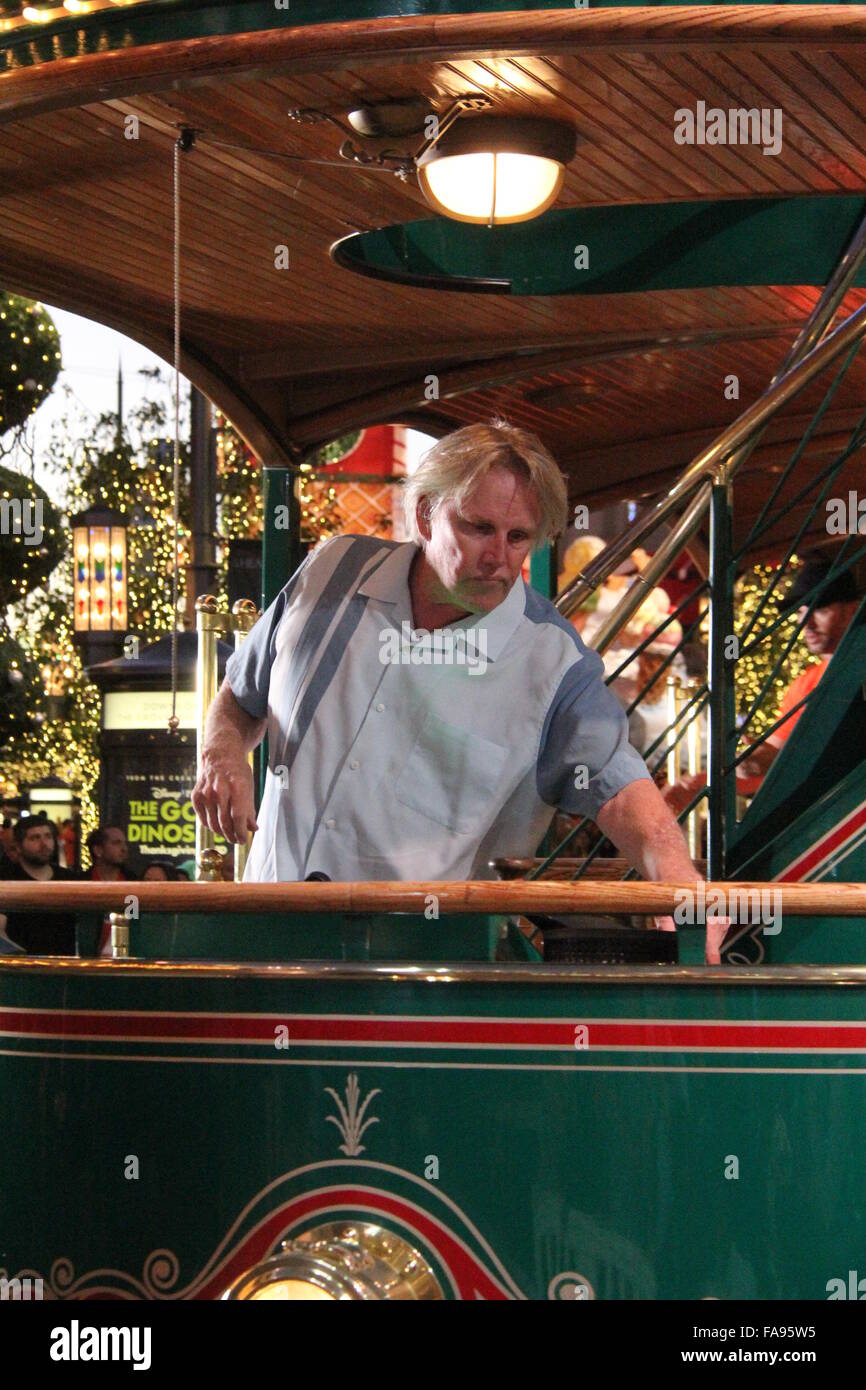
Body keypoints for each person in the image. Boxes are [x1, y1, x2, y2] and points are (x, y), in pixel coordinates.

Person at [193, 420, 726, 962]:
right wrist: (221, 754)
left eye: (518, 537)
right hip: (263, 943)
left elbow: (619, 785)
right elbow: (241, 696)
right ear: (424, 514)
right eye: (479, 528)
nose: (499, 557)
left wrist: (679, 881)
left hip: (418, 980)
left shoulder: (553, 662)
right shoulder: (331, 571)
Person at [663, 554, 860, 814]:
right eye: (801, 611)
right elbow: (772, 763)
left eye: (820, 609)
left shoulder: (853, 669)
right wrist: (699, 784)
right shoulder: (805, 683)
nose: (806, 623)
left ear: (854, 608)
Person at [0, 815, 79, 955]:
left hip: (65, 967)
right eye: (35, 838)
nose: (44, 844)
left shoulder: (69, 879)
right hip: (21, 969)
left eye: (48, 836)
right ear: (18, 847)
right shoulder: (7, 880)